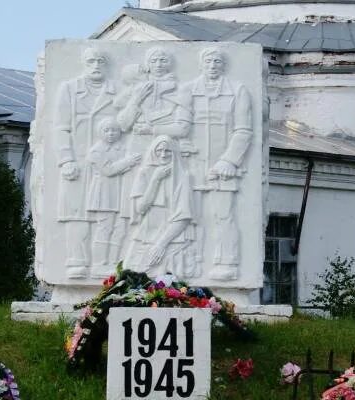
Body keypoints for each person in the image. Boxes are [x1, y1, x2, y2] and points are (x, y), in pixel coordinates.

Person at [182, 47, 254, 280]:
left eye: (217, 61)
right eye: (208, 61)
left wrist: (229, 161)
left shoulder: (237, 90)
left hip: (223, 168)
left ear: (223, 65)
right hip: (192, 166)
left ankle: (227, 263)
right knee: (190, 217)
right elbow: (180, 124)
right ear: (201, 64)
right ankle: (191, 264)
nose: (212, 65)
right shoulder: (188, 90)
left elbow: (243, 130)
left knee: (223, 216)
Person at [53, 47, 118, 278]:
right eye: (91, 61)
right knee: (76, 212)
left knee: (106, 214)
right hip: (78, 162)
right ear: (84, 63)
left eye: (101, 61)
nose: (96, 65)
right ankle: (76, 260)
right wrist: (66, 159)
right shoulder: (70, 89)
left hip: (107, 162)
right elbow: (61, 128)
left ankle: (103, 263)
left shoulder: (116, 90)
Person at [126, 135, 196, 277]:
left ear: (174, 152)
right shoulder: (145, 173)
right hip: (146, 231)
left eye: (168, 151)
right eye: (159, 150)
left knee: (164, 276)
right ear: (153, 152)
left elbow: (183, 217)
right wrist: (155, 179)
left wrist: (161, 244)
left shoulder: (183, 176)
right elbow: (141, 208)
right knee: (129, 271)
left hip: (172, 235)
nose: (163, 155)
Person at [85, 118, 141, 277]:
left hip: (120, 192)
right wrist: (128, 162)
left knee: (120, 229)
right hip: (104, 193)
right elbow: (108, 170)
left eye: (114, 130)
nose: (110, 133)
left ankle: (115, 263)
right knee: (105, 228)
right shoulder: (96, 151)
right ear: (100, 132)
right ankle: (99, 264)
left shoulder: (122, 148)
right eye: (107, 130)